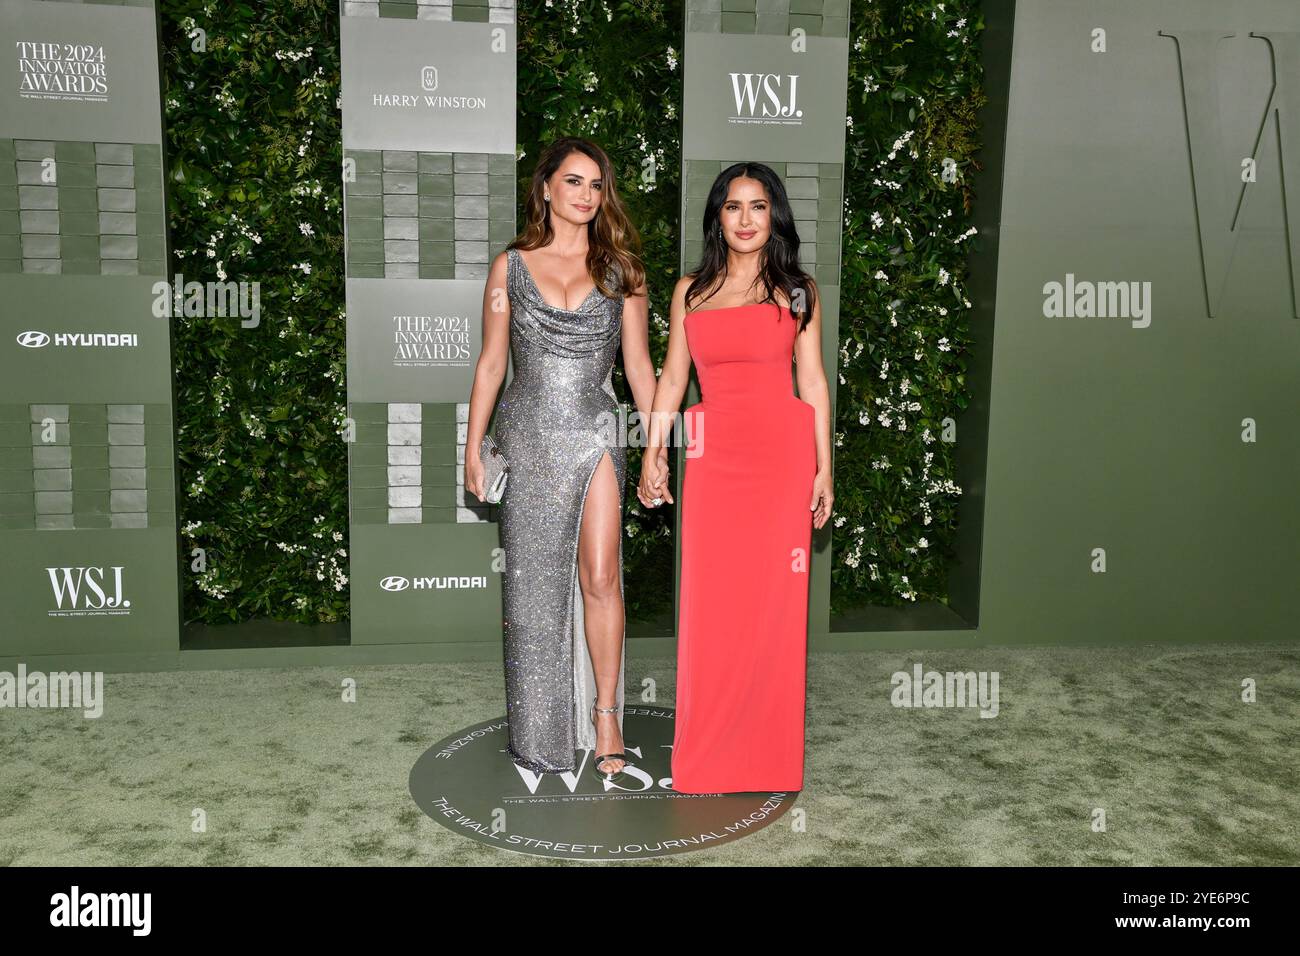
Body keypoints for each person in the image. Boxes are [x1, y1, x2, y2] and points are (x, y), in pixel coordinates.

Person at [638, 162, 833, 793]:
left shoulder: (798, 290)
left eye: (757, 206)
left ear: (773, 214)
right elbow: (671, 378)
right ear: (716, 216)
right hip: (713, 456)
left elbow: (812, 380)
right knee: (713, 606)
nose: (745, 220)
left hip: (781, 459)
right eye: (732, 207)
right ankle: (710, 755)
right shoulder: (689, 290)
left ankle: (768, 757)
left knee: (774, 608)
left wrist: (824, 464)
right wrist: (653, 449)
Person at [465, 137, 655, 781]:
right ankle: (540, 730)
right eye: (573, 181)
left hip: (597, 430)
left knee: (600, 573)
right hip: (526, 434)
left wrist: (655, 444)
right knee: (533, 586)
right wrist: (473, 443)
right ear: (545, 187)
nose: (585, 195)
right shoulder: (509, 267)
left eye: (596, 185)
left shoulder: (622, 271)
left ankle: (606, 714)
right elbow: (493, 362)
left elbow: (638, 368)